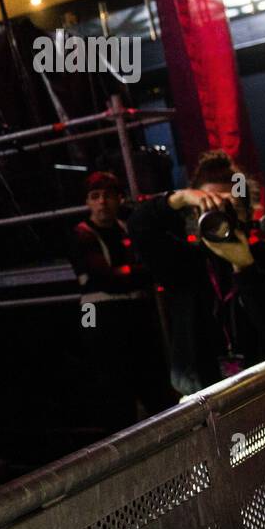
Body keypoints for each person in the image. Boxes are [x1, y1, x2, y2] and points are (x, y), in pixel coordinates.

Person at [128, 150, 265, 396]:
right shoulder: (183, 263)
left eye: (230, 207)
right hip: (201, 400)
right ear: (195, 214)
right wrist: (180, 198)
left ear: (247, 213)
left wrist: (245, 268)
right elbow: (139, 226)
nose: (222, 216)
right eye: (210, 206)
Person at [66, 171, 167, 433]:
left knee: (152, 383)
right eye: (95, 196)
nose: (102, 202)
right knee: (114, 388)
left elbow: (148, 269)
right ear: (87, 202)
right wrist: (134, 273)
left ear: (119, 199)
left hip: (134, 315)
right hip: (100, 317)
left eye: (108, 196)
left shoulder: (127, 228)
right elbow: (104, 278)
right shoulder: (82, 234)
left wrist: (131, 274)